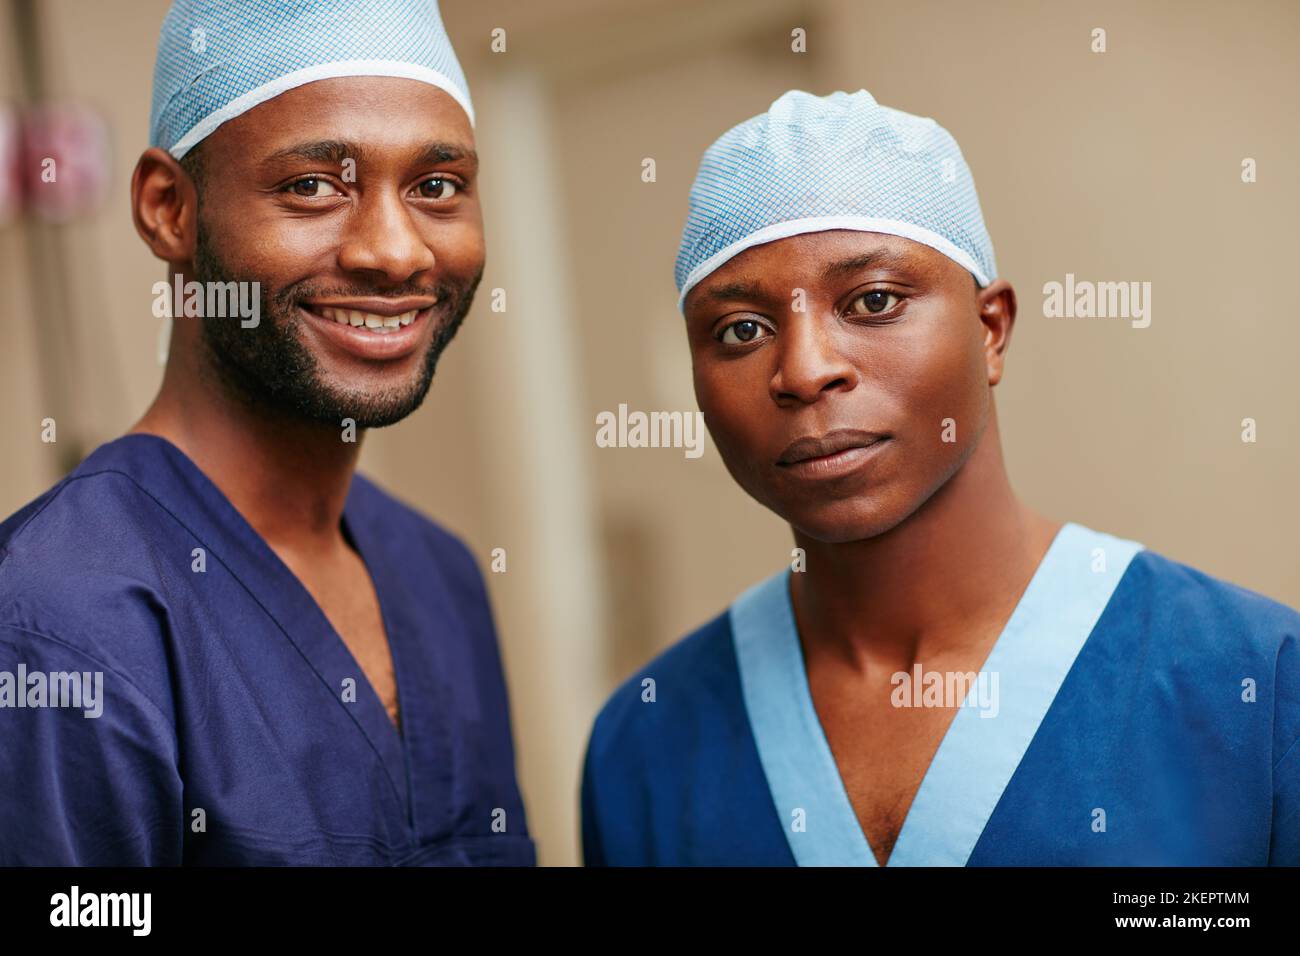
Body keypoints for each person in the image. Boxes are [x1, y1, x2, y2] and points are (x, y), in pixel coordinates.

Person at [581, 89, 1300, 866]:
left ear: (991, 331)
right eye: (741, 330)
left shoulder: (1256, 688)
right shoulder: (645, 744)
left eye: (874, 300)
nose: (804, 369)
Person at [0, 0, 534, 865]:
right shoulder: (57, 615)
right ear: (169, 209)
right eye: (313, 186)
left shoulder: (440, 575)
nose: (395, 252)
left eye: (436, 187)